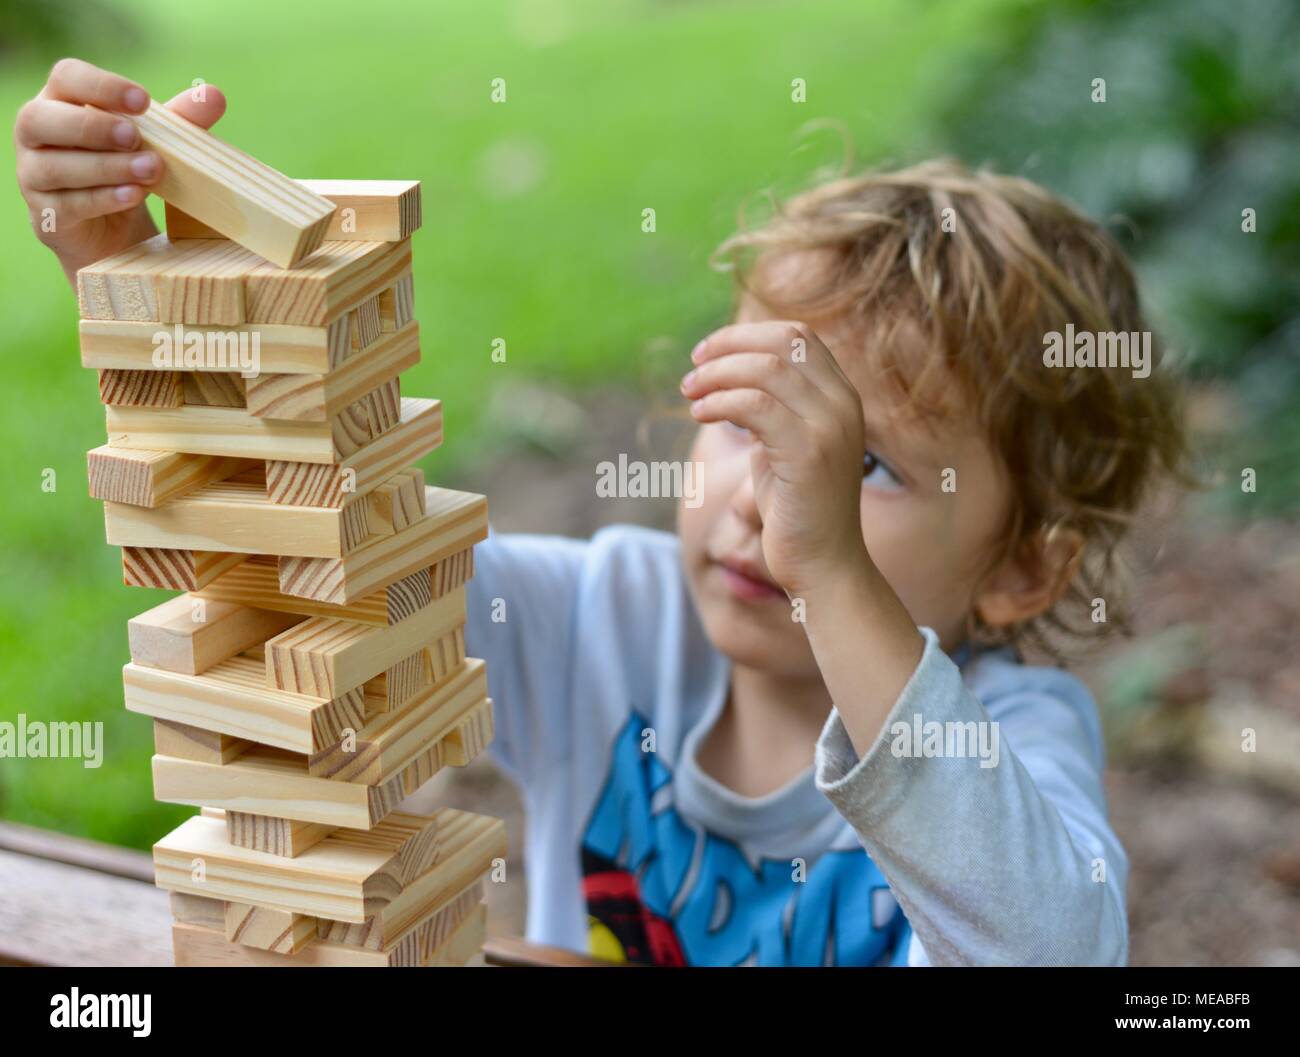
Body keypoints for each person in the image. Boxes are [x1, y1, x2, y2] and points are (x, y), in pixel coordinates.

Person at [16, 60, 1187, 966]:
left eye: (856, 467)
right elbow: (336, 571)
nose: (769, 501)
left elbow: (1054, 948)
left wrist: (832, 576)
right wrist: (152, 309)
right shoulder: (607, 616)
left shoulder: (1008, 737)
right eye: (750, 423)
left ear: (1026, 570)